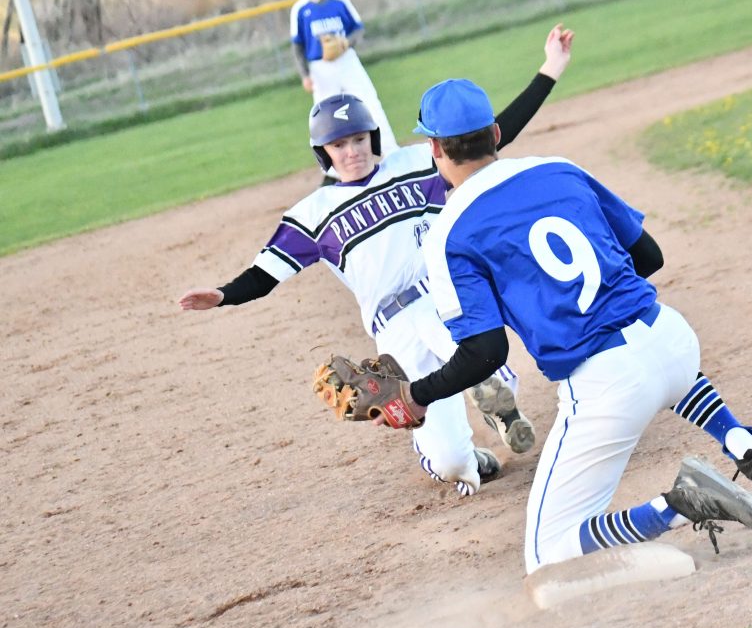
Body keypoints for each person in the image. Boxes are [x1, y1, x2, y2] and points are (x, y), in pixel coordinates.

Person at [382, 77, 752, 573]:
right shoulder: (560, 169)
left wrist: (417, 395)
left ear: (434, 149)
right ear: (495, 133)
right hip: (672, 339)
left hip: (608, 385)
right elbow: (649, 256)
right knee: (652, 362)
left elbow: (485, 352)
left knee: (547, 555)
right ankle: (743, 443)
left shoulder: (449, 231)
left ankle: (683, 504)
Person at [179, 25, 576, 498]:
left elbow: (490, 138)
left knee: (478, 361)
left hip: (441, 298)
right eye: (339, 144)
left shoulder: (418, 163)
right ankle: (472, 457)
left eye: (358, 139)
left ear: (372, 137)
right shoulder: (313, 214)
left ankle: (495, 397)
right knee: (453, 466)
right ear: (324, 153)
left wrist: (551, 68)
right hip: (393, 329)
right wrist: (223, 295)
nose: (351, 151)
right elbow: (265, 275)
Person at [290, 0, 399, 175]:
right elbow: (297, 46)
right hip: (320, 67)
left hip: (347, 60)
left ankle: (391, 152)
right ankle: (330, 171)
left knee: (370, 103)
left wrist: (346, 42)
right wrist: (305, 75)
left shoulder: (340, 0)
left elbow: (358, 29)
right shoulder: (300, 9)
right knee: (323, 116)